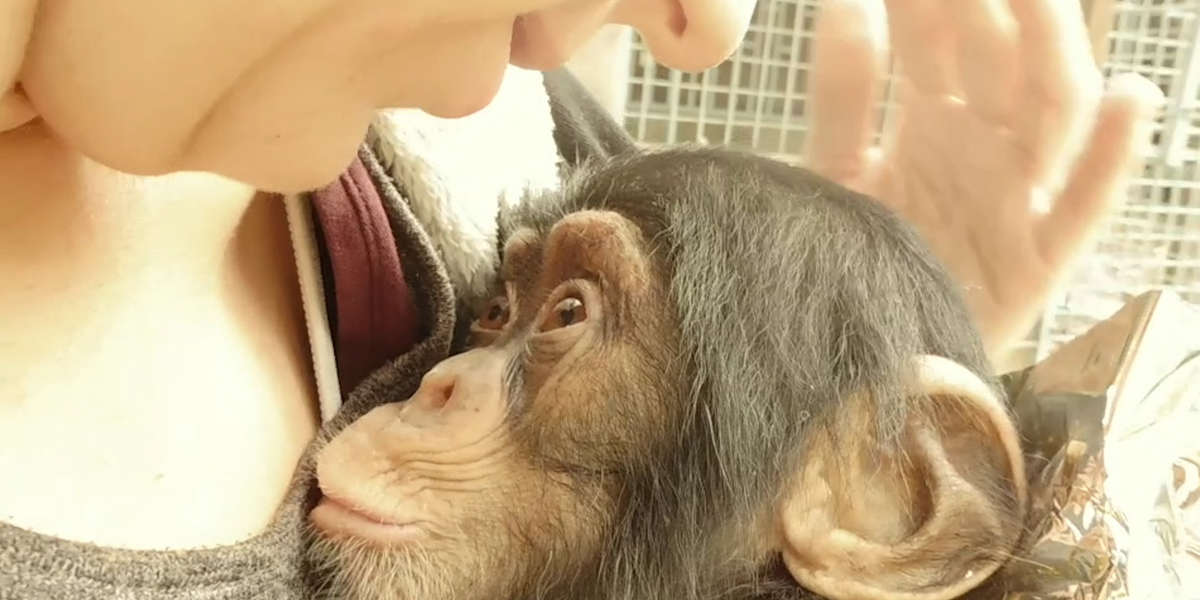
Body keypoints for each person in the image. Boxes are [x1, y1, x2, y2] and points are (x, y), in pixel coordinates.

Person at [0, 0, 1160, 597]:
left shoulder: (483, 127)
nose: (709, 27)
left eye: (547, 319)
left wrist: (836, 388)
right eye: (510, 314)